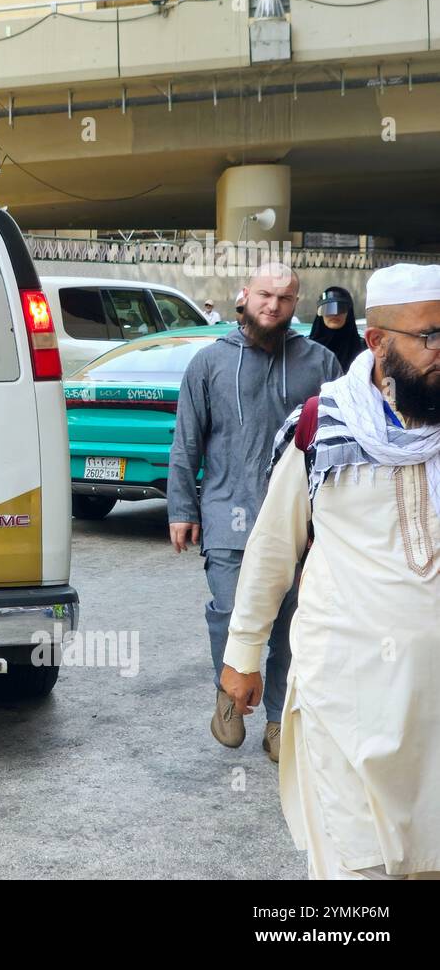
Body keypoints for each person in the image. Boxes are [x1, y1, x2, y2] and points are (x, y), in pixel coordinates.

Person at [222, 263, 440, 879]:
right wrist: (243, 653)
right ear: (376, 341)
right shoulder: (322, 427)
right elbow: (272, 547)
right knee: (355, 865)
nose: (439, 351)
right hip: (345, 694)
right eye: (428, 337)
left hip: (434, 708)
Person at [167, 264, 341, 763]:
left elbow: (335, 443)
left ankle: (277, 722)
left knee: (292, 625)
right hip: (229, 513)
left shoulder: (321, 363)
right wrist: (181, 507)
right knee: (229, 611)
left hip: (297, 525)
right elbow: (187, 440)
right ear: (244, 295)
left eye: (285, 298)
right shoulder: (209, 363)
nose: (274, 305)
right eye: (265, 294)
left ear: (295, 304)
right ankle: (229, 691)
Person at [308, 285, 365, 375]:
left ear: (349, 313)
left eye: (340, 309)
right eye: (328, 309)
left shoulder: (364, 352)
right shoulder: (308, 350)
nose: (334, 314)